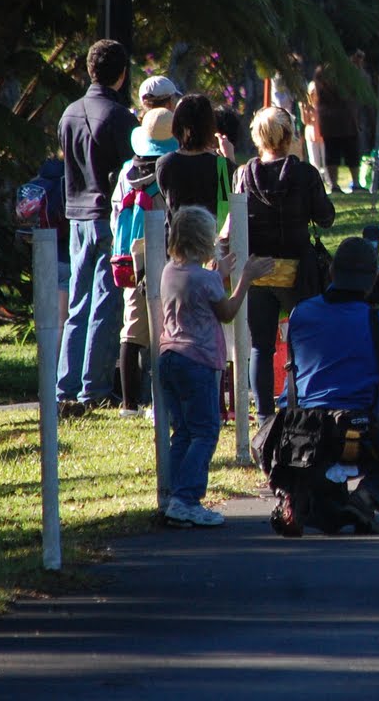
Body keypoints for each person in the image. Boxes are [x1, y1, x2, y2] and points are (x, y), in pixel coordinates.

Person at [277, 237, 379, 532]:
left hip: (300, 437)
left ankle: (296, 492)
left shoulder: (300, 313)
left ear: (331, 273)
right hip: (357, 437)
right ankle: (365, 500)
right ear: (371, 283)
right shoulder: (373, 320)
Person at [159, 205, 272, 527]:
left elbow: (197, 286)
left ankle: (172, 496)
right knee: (205, 432)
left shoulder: (170, 271)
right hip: (198, 361)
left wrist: (217, 271)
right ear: (205, 239)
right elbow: (227, 311)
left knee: (182, 431)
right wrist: (245, 279)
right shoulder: (206, 279)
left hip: (170, 357)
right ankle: (187, 499)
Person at [235, 107, 336, 418]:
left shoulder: (243, 175)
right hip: (298, 271)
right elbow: (325, 218)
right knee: (305, 344)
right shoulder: (305, 175)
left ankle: (264, 416)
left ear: (257, 138)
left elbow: (235, 224)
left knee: (260, 348)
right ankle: (301, 405)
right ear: (290, 136)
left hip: (257, 271)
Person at [56, 39, 138, 416]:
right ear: (121, 75)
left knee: (77, 301)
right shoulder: (121, 117)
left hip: (76, 215)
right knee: (106, 301)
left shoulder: (68, 113)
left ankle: (66, 385)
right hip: (108, 215)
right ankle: (94, 386)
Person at [110, 107, 178, 419]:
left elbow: (114, 215)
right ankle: (159, 401)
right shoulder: (172, 169)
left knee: (132, 332)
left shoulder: (126, 171)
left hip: (131, 258)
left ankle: (128, 404)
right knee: (166, 331)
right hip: (164, 254)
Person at [156, 94, 235, 225]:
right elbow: (235, 201)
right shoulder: (221, 165)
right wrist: (229, 158)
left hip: (176, 240)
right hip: (209, 241)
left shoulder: (165, 163)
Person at [311, 64, 361, 193]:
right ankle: (335, 184)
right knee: (333, 153)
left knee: (351, 152)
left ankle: (355, 183)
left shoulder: (347, 70)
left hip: (345, 119)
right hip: (333, 119)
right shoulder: (323, 73)